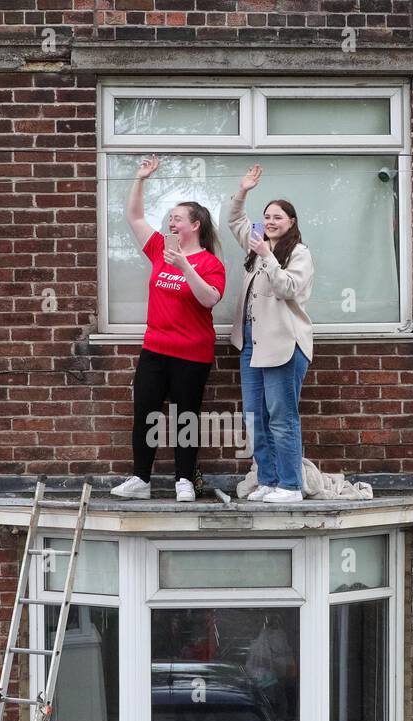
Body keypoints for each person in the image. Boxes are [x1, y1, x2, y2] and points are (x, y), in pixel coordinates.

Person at [113, 155, 226, 502]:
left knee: (185, 418)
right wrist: (141, 178)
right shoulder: (161, 249)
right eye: (170, 218)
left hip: (192, 353)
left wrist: (186, 267)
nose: (170, 222)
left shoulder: (210, 262)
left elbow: (209, 299)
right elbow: (133, 217)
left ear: (194, 225)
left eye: (177, 218)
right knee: (144, 411)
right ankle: (141, 479)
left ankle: (183, 481)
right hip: (155, 348)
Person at [228, 164, 314, 503]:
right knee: (256, 417)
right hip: (251, 344)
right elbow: (235, 219)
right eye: (267, 217)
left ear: (291, 222)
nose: (271, 221)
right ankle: (268, 479)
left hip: (284, 344)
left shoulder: (298, 253)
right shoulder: (256, 244)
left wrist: (268, 257)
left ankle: (290, 486)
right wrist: (244, 189)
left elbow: (288, 289)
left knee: (282, 417)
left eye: (278, 216)